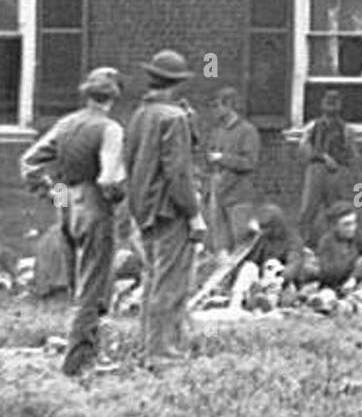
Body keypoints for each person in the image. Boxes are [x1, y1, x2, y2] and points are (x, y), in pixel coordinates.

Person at [20, 66, 127, 378]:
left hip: (66, 201)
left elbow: (29, 163)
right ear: (115, 96)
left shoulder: (66, 124)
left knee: (76, 283)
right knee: (94, 284)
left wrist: (52, 192)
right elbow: (108, 178)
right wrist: (118, 195)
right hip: (94, 202)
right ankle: (77, 363)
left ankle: (85, 350)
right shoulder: (110, 129)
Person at [125, 49, 206, 369]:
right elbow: (179, 173)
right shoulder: (173, 118)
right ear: (177, 84)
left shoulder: (140, 114)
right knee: (171, 283)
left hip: (144, 208)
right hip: (169, 210)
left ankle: (149, 349)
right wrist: (194, 213)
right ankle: (164, 353)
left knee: (152, 280)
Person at [298, 90, 360, 245]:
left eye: (335, 102)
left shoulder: (347, 130)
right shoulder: (312, 127)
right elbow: (303, 150)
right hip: (316, 170)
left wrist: (343, 166)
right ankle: (304, 243)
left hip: (336, 173)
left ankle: (337, 243)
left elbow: (353, 155)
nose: (331, 106)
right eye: (328, 102)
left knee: (337, 209)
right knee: (307, 210)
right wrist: (323, 157)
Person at [206, 86, 261, 256]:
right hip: (218, 192)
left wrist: (222, 158)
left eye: (217, 106)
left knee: (241, 243)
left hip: (239, 195)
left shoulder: (247, 131)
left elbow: (250, 163)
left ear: (229, 105)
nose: (214, 111)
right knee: (219, 243)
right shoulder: (217, 131)